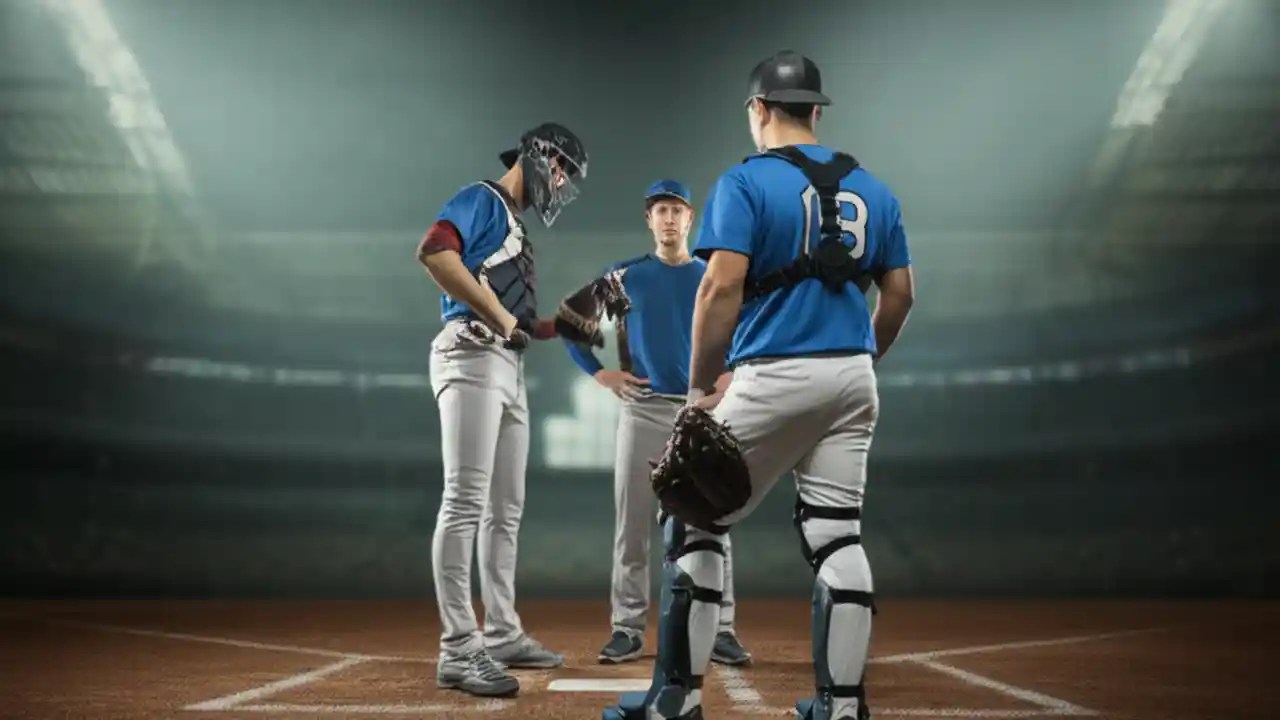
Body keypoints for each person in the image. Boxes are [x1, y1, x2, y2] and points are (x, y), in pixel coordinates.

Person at [603, 50, 915, 720]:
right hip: (854, 379)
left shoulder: (745, 184)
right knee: (837, 537)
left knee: (692, 513)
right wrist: (863, 359)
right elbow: (901, 296)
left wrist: (696, 390)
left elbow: (718, 288)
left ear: (759, 109)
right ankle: (842, 707)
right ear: (817, 109)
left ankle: (675, 702)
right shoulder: (877, 190)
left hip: (775, 371)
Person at [416, 122, 589, 698]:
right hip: (469, 352)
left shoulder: (512, 223)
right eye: (560, 167)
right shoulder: (481, 198)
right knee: (465, 500)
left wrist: (557, 324)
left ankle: (502, 632)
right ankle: (459, 650)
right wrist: (503, 319)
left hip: (503, 366)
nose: (561, 182)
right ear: (537, 155)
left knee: (505, 509)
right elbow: (435, 252)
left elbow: (513, 320)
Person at [558, 180, 752, 666]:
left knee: (712, 521)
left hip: (701, 411)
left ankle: (722, 628)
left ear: (691, 219)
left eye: (677, 211)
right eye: (660, 210)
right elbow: (569, 324)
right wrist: (598, 371)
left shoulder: (714, 276)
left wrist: (732, 374)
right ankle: (626, 629)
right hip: (643, 408)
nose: (668, 219)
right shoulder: (624, 278)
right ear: (650, 220)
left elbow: (751, 332)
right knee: (634, 523)